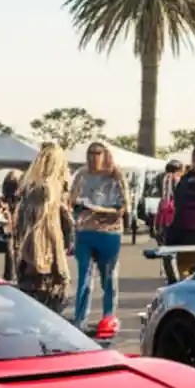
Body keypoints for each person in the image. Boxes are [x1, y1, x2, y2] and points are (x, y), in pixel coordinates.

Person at [69, 141, 130, 336]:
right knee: (84, 277)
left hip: (109, 232)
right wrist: (77, 208)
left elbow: (122, 208)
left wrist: (97, 210)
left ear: (105, 155)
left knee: (109, 277)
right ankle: (80, 320)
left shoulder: (115, 176)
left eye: (97, 153)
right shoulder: (81, 175)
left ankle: (108, 316)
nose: (92, 157)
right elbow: (70, 200)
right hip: (85, 231)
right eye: (89, 153)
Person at [13, 143, 75, 313]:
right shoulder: (47, 189)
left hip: (31, 258)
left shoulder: (29, 188)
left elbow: (21, 226)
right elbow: (48, 228)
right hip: (44, 259)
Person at [0, 170, 21, 281]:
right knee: (13, 248)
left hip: (11, 224)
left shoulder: (7, 202)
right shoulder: (17, 202)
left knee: (11, 248)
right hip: (14, 224)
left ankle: (10, 274)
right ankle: (13, 274)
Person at [154, 160, 183, 243]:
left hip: (163, 205)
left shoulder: (161, 177)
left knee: (162, 226)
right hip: (173, 207)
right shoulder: (176, 178)